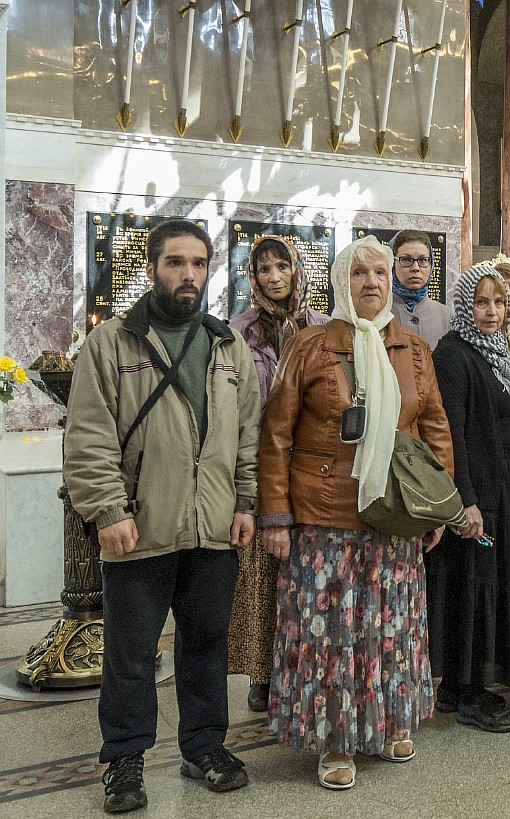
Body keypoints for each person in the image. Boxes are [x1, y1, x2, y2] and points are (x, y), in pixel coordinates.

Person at [64, 219, 260, 813]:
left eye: (198, 264)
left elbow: (248, 434)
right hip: (139, 530)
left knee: (205, 647)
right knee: (131, 656)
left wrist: (246, 502)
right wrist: (106, 510)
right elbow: (89, 436)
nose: (188, 275)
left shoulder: (228, 346)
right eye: (176, 262)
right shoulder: (112, 344)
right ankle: (124, 760)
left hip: (213, 530)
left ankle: (204, 747)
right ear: (152, 268)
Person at [258, 235, 453, 790]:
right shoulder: (312, 345)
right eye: (359, 272)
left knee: (391, 628)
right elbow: (276, 435)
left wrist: (436, 509)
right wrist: (275, 515)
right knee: (333, 635)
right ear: (341, 280)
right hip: (326, 516)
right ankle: (335, 739)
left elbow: (434, 429)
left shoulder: (413, 349)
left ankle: (390, 720)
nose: (372, 281)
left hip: (394, 517)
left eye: (380, 272)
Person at [428, 263, 510, 732]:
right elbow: (452, 433)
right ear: (464, 305)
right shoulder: (453, 354)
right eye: (481, 302)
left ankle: (461, 686)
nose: (492, 311)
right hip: (484, 494)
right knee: (476, 588)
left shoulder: (498, 350)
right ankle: (470, 691)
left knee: (495, 584)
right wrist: (466, 501)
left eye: (499, 301)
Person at [228, 236, 329, 713]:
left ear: (296, 270)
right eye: (263, 269)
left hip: (309, 459)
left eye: (281, 267)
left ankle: (302, 663)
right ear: (253, 276)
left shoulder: (321, 326)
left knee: (305, 569)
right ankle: (263, 673)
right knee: (263, 573)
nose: (274, 277)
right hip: (261, 455)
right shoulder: (239, 331)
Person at [389, 229, 453, 348]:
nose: (415, 268)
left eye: (423, 260)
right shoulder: (379, 314)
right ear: (392, 264)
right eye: (406, 260)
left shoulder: (448, 317)